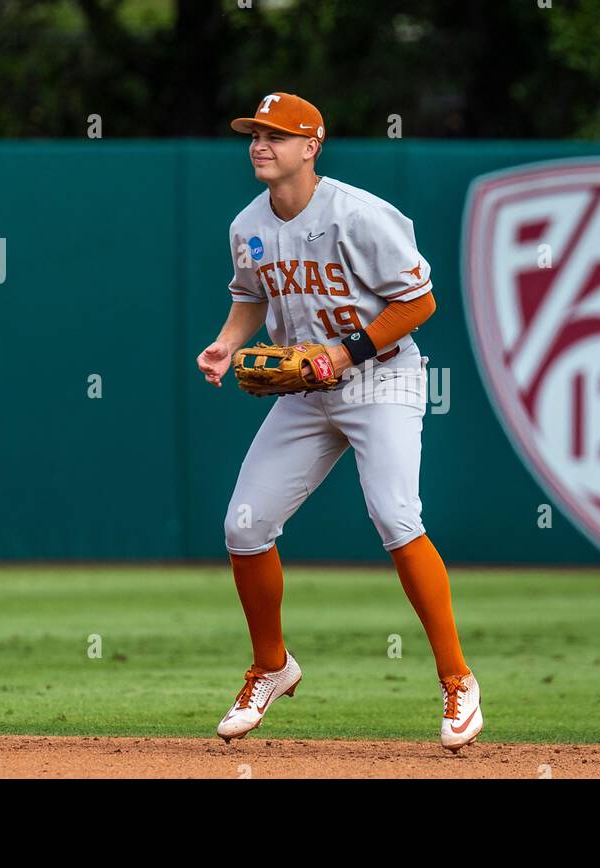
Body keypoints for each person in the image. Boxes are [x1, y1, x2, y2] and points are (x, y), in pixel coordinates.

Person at [195, 92, 482, 752]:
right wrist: (227, 342)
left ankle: (458, 681)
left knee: (396, 516)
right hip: (304, 388)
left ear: (310, 146)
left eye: (275, 135)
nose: (259, 145)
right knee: (244, 526)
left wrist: (344, 352)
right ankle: (272, 666)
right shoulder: (248, 226)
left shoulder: (356, 214)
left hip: (381, 378)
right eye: (254, 134)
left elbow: (419, 301)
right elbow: (250, 296)